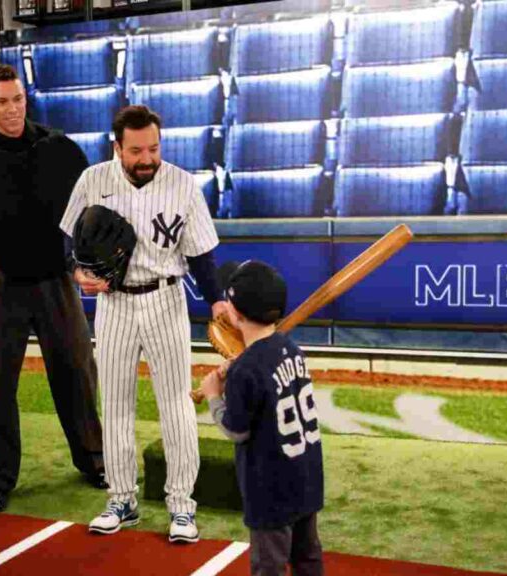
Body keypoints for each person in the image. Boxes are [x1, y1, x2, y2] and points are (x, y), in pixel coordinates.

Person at [0, 64, 106, 514]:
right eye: (1, 101)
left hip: (56, 276)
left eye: (17, 99)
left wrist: (89, 265)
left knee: (76, 369)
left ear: (24, 98)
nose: (11, 109)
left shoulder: (60, 149)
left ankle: (95, 460)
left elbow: (90, 213)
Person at [60, 105, 226, 544]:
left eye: (153, 148)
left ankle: (182, 505)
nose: (147, 158)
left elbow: (203, 255)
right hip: (114, 304)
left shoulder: (182, 184)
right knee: (114, 404)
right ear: (117, 147)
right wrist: (77, 272)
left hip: (165, 298)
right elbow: (65, 239)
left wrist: (217, 301)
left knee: (175, 403)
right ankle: (122, 499)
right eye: (136, 151)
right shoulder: (93, 179)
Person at [198, 260, 324, 576]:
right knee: (308, 559)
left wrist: (214, 394)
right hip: (306, 479)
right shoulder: (293, 350)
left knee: (269, 568)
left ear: (237, 314)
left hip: (270, 490)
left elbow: (235, 429)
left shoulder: (246, 369)